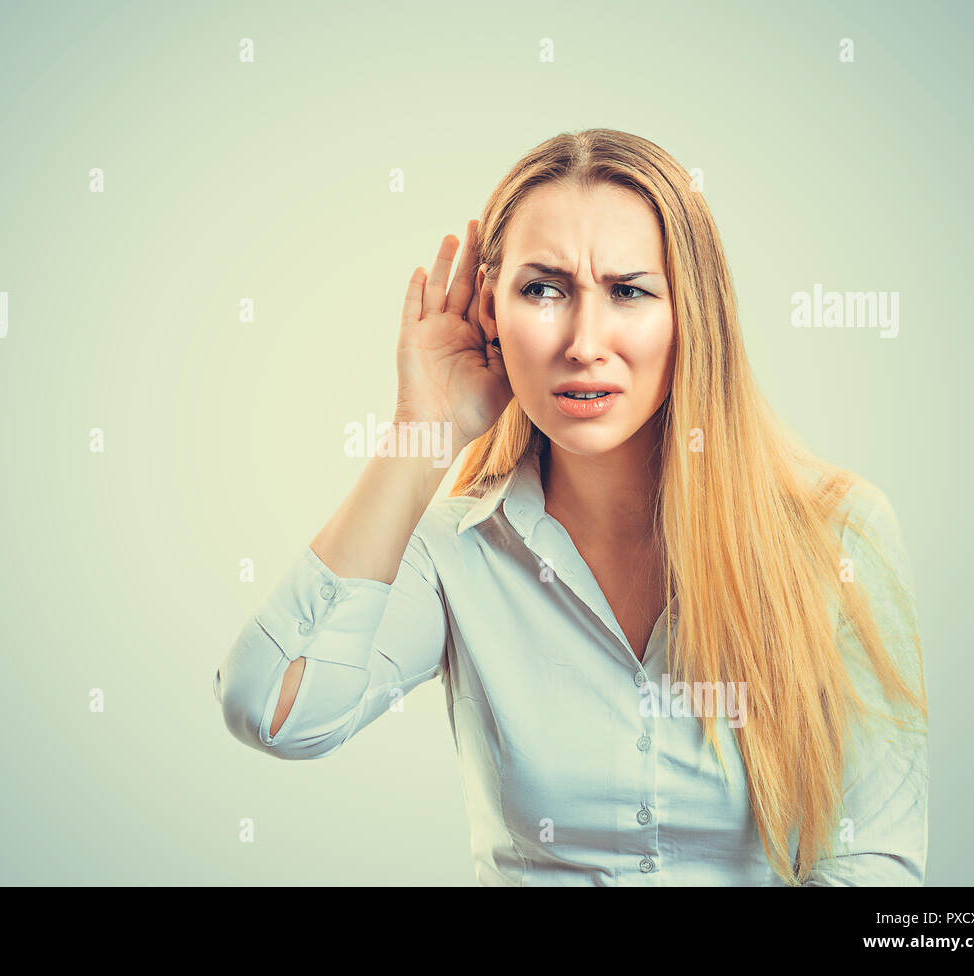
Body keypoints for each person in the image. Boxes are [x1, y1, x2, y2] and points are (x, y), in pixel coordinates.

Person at [213, 128, 928, 886]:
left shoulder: (837, 534)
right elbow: (274, 713)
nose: (585, 343)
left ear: (692, 315)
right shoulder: (457, 549)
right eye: (544, 290)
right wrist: (424, 434)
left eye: (628, 291)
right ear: (491, 312)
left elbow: (875, 870)